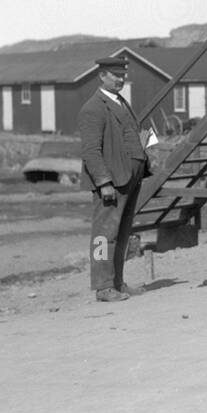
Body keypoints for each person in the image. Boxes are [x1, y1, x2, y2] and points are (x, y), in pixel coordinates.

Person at [79, 55, 152, 302]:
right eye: (115, 75)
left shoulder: (121, 102)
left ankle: (117, 283)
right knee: (103, 236)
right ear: (102, 76)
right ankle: (103, 287)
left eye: (122, 76)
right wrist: (104, 182)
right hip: (111, 183)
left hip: (129, 179)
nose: (120, 80)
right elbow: (90, 150)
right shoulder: (93, 108)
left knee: (122, 234)